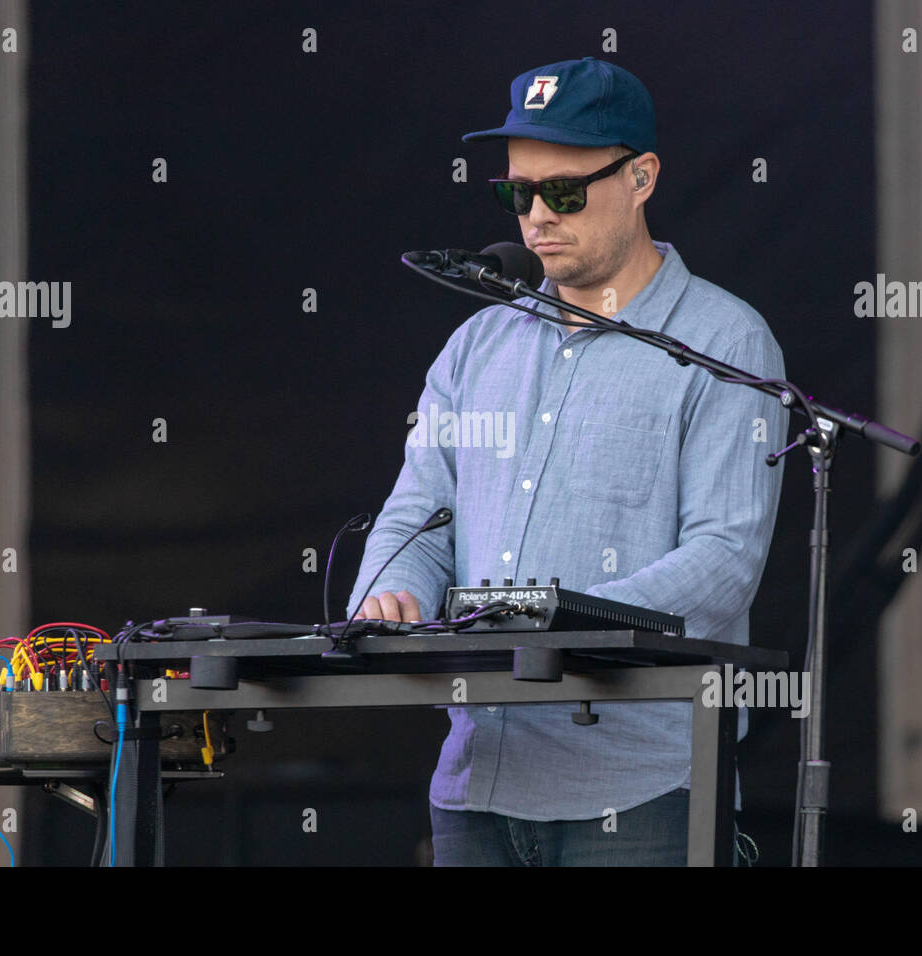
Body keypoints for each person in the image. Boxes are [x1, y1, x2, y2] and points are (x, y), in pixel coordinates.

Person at [347, 56, 788, 865]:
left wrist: (563, 619)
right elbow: (418, 512)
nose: (538, 217)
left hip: (640, 789)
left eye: (567, 191)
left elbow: (725, 558)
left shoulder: (725, 342)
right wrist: (388, 594)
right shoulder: (477, 344)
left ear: (642, 177)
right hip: (476, 782)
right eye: (518, 193)